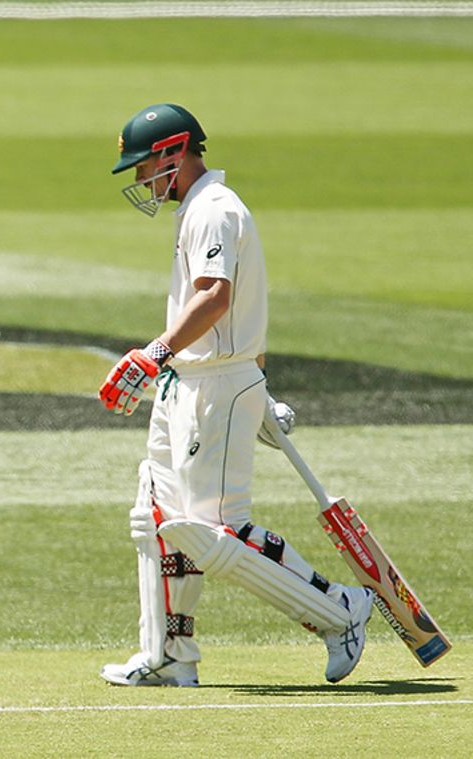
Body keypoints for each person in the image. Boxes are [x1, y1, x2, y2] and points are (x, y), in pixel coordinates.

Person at [96, 103, 374, 687]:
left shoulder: (216, 210)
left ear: (174, 151)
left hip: (214, 383)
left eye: (147, 166)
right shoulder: (197, 209)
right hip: (194, 384)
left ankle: (339, 611)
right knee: (157, 516)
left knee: (218, 530)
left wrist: (157, 355)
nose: (144, 180)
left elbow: (217, 298)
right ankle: (169, 657)